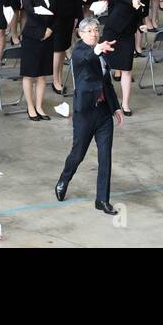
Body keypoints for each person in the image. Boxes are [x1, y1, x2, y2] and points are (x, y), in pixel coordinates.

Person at [54, 17, 123, 215]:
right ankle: (64, 179)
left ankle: (102, 200)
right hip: (85, 112)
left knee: (105, 156)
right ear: (81, 34)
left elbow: (106, 83)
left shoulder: (101, 55)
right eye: (90, 31)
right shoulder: (79, 51)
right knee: (78, 154)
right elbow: (86, 58)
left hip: (103, 112)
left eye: (96, 30)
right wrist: (98, 49)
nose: (94, 34)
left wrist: (116, 108)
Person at [101, 0, 144, 115]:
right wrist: (133, 1)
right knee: (103, 66)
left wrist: (140, 25)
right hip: (113, 32)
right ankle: (101, 98)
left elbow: (138, 14)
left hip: (127, 35)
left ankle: (125, 104)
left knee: (127, 69)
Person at [18, 0, 56, 121]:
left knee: (42, 75)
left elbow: (57, 14)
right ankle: (30, 106)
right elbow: (30, 11)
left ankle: (39, 106)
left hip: (48, 36)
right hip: (32, 36)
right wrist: (42, 31)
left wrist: (50, 30)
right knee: (29, 74)